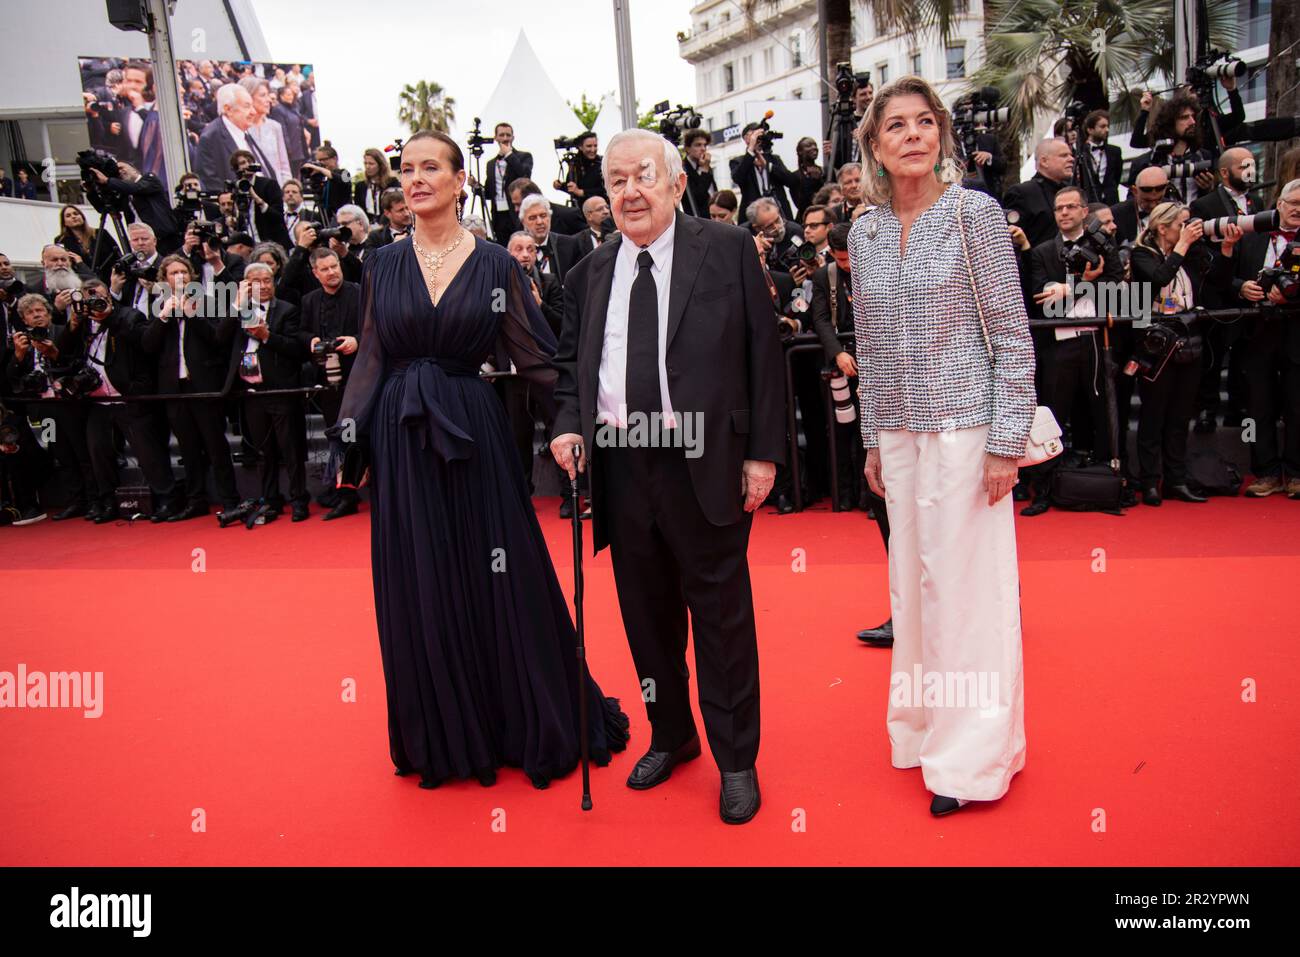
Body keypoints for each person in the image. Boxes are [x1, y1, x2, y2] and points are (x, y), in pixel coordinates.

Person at [326, 129, 629, 790]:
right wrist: (349, 433)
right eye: (406, 169)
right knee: (423, 580)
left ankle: (519, 719)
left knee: (501, 572)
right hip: (404, 438)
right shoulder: (380, 263)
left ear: (461, 180)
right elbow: (373, 352)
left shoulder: (495, 265)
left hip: (474, 430)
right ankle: (447, 731)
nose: (416, 178)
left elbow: (535, 355)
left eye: (431, 167)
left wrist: (576, 423)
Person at [550, 128, 786, 825]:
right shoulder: (589, 271)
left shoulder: (727, 249)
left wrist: (762, 453)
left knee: (720, 617)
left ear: (677, 182)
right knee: (646, 618)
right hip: (624, 466)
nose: (629, 190)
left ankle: (735, 757)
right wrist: (568, 423)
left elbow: (763, 353)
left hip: (705, 459)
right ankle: (673, 733)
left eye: (643, 175)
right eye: (616, 178)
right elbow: (571, 366)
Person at [850, 76, 1036, 817]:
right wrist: (870, 436)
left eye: (926, 122)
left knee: (967, 596)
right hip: (897, 431)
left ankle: (975, 757)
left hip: (966, 427)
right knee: (912, 591)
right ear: (874, 144)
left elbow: (1012, 333)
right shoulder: (863, 230)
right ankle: (924, 726)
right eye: (896, 125)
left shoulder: (973, 215)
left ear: (943, 136)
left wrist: (1006, 441)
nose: (913, 135)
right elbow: (868, 339)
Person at [1129, 202, 1240, 504]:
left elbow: (1218, 281)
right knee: (1153, 415)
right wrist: (1183, 244)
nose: (1190, 228)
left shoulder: (1191, 250)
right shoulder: (1141, 254)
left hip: (1190, 336)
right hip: (1156, 340)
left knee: (1180, 415)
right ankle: (1150, 481)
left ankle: (1176, 479)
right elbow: (1159, 278)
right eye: (1182, 223)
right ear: (1162, 228)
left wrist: (1227, 248)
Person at [140, 254, 243, 523]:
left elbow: (218, 338)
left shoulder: (207, 302)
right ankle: (196, 500)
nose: (180, 277)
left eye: (184, 272)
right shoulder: (158, 306)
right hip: (174, 389)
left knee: (215, 445)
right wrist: (163, 317)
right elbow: (147, 347)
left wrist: (191, 314)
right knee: (187, 448)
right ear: (165, 279)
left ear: (192, 276)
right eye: (174, 273)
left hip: (204, 387)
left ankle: (230, 500)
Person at [298, 247, 361, 520]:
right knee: (338, 438)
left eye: (334, 266)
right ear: (315, 273)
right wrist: (310, 340)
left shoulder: (359, 293)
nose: (332, 272)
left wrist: (357, 341)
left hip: (360, 378)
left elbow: (376, 326)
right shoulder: (309, 300)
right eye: (324, 269)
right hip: (328, 382)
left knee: (365, 436)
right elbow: (301, 331)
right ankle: (346, 494)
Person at [1003, 138, 1075, 247]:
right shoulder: (1022, 193)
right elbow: (1014, 239)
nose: (1071, 159)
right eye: (1064, 155)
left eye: (1070, 155)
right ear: (1044, 161)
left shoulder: (1071, 191)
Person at [482, 122, 533, 243]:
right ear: (496, 138)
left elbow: (525, 176)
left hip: (516, 211)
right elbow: (489, 193)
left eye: (508, 135)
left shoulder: (524, 156)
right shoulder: (491, 164)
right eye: (501, 135)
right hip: (498, 214)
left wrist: (509, 155)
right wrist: (476, 187)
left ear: (513, 137)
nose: (505, 138)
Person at [54, 204, 121, 281]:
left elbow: (118, 254)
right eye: (68, 216)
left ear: (82, 217)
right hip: (83, 282)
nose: (73, 216)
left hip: (110, 278)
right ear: (64, 222)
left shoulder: (101, 233)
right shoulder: (61, 241)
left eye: (76, 213)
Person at [354, 148, 399, 220]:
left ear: (380, 165)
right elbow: (359, 210)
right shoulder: (360, 186)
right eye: (365, 163)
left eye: (371, 164)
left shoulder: (392, 183)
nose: (367, 167)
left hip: (387, 224)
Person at [681, 129, 715, 218]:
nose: (703, 149)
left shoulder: (706, 166)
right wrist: (704, 170)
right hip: (696, 218)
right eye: (698, 145)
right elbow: (697, 198)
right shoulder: (683, 169)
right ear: (687, 149)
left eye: (705, 145)